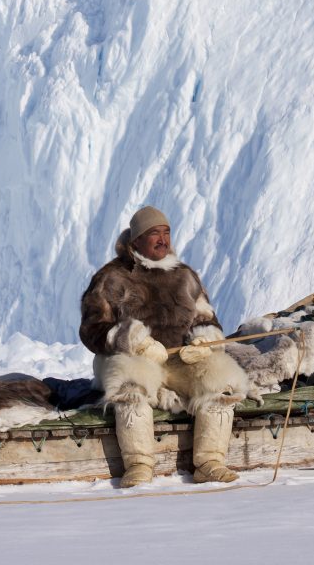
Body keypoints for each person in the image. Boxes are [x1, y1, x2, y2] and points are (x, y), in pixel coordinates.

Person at [79, 206, 252, 486]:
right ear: (136, 240)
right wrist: (136, 341)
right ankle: (138, 465)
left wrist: (205, 341)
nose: (163, 239)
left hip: (178, 361)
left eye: (166, 232)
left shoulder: (185, 276)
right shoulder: (111, 278)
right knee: (131, 383)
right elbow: (91, 330)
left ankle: (209, 463)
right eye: (154, 233)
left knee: (221, 379)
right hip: (130, 359)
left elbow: (207, 319)